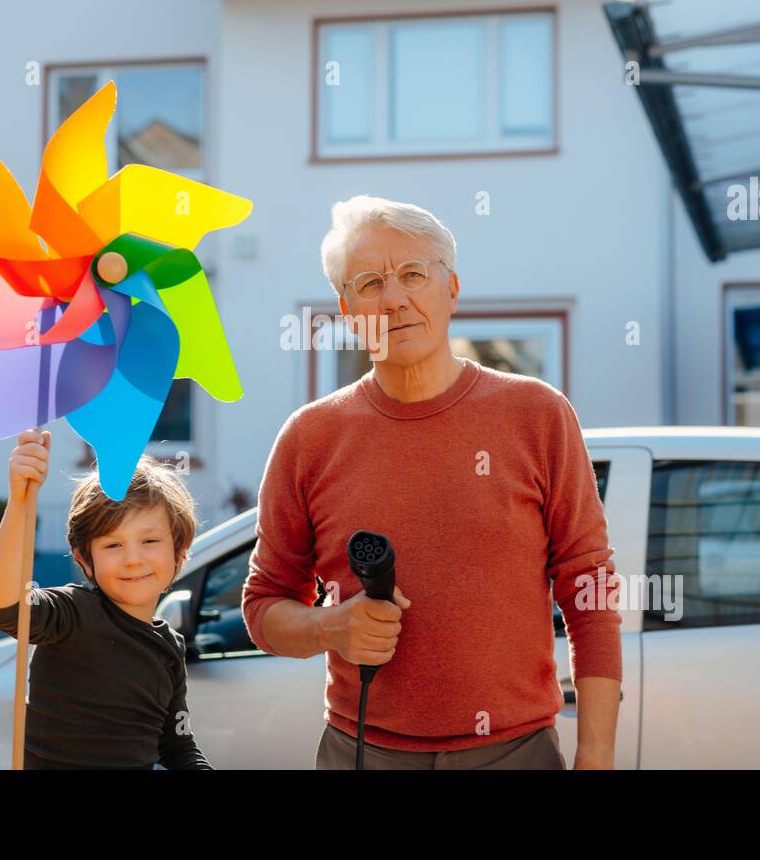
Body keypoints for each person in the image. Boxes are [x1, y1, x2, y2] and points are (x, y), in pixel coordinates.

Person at [241, 195, 623, 769]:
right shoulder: (309, 438)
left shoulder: (537, 414)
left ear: (452, 289)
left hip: (515, 752)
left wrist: (596, 756)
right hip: (361, 751)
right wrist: (329, 626)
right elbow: (264, 604)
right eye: (369, 283)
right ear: (347, 308)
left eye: (414, 274)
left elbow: (589, 587)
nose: (395, 299)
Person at [0, 429, 212, 769]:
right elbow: (6, 607)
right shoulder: (74, 613)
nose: (133, 558)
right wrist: (19, 500)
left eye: (149, 541)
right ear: (84, 559)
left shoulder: (169, 648)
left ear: (179, 551)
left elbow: (177, 747)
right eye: (112, 545)